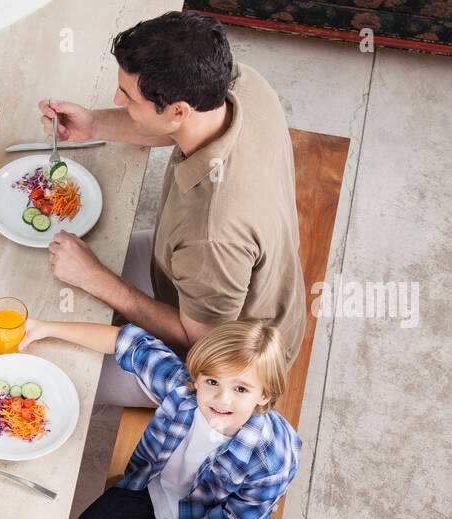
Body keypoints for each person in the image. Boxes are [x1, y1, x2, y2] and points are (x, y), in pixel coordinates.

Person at [39, 11, 305, 409]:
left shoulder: (212, 233)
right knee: (57, 269)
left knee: (56, 373)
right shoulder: (240, 84)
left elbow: (196, 339)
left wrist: (95, 278)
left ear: (178, 109)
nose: (117, 100)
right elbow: (172, 127)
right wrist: (93, 125)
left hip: (229, 364)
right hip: (211, 276)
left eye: (128, 97)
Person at [19, 316, 302, 519]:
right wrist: (46, 328)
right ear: (198, 377)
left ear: (265, 395)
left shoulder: (272, 459)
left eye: (241, 389)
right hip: (158, 494)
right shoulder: (183, 391)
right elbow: (126, 343)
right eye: (212, 382)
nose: (221, 399)